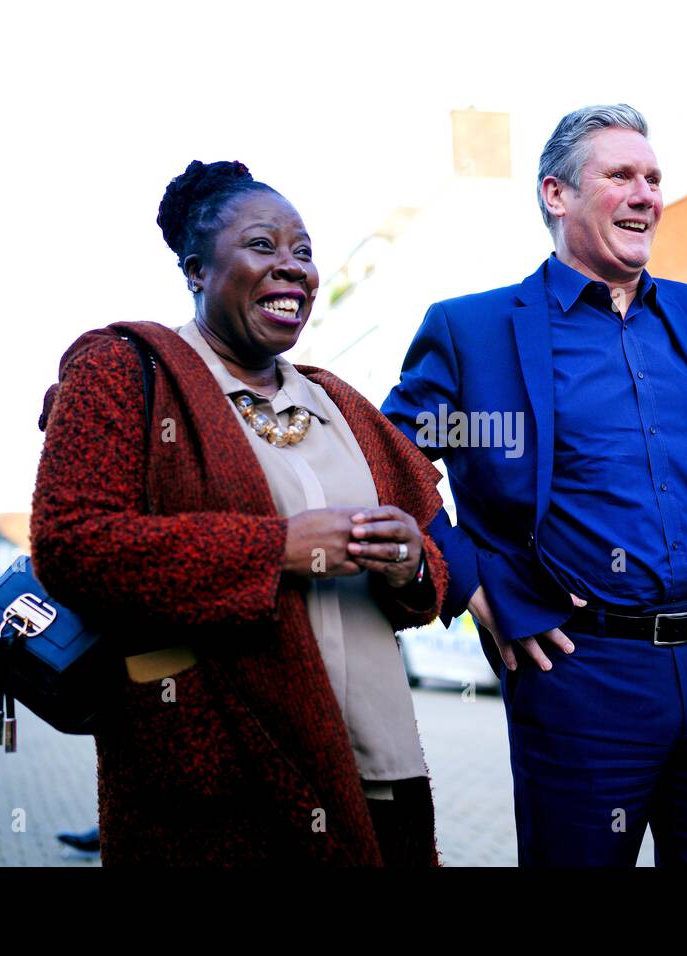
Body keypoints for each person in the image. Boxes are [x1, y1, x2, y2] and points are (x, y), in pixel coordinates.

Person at [382, 105, 687, 867]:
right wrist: (472, 585)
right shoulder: (472, 330)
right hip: (578, 673)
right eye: (621, 176)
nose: (647, 194)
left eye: (654, 178)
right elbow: (392, 459)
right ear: (557, 194)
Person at [30, 160, 449, 866]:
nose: (294, 268)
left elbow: (427, 568)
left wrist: (408, 561)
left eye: (305, 252)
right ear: (196, 270)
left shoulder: (339, 403)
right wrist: (277, 547)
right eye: (263, 246)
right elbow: (71, 543)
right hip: (222, 769)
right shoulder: (124, 371)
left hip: (378, 763)